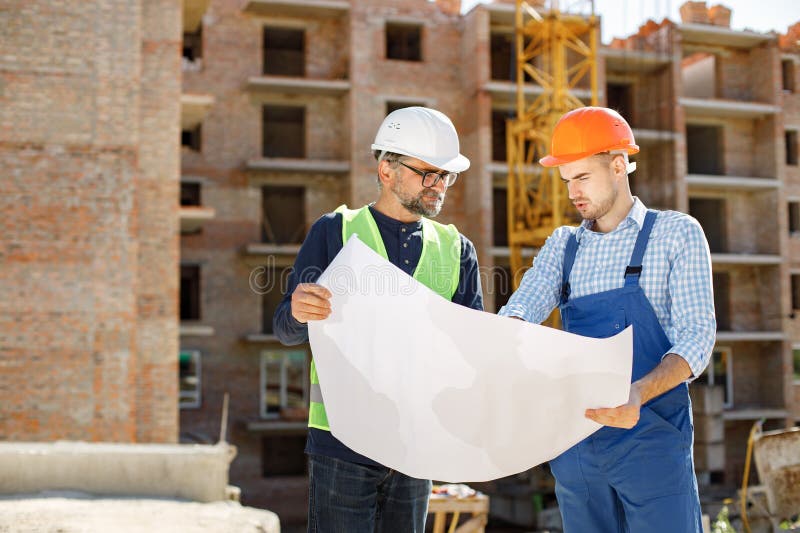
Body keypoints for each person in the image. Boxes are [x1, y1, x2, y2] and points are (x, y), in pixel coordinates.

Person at [499, 106, 715, 532]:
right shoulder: (563, 246)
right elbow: (519, 313)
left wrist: (637, 393)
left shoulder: (676, 233)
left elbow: (697, 338)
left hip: (651, 438)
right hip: (577, 447)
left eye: (582, 178)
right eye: (566, 182)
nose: (572, 193)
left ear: (618, 165)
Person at [273, 106, 484, 532]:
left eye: (445, 176)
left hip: (415, 443)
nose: (438, 185)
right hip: (342, 441)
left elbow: (471, 347)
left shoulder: (457, 248)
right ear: (387, 170)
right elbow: (284, 328)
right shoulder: (335, 231)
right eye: (427, 172)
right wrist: (297, 312)